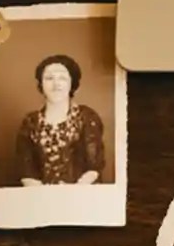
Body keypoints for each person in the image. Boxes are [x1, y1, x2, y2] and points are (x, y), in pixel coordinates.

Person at [14, 54, 106, 186]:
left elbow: (94, 167)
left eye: (62, 78)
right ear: (41, 83)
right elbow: (26, 171)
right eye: (49, 78)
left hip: (83, 195)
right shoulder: (30, 122)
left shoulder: (87, 117)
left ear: (72, 83)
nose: (56, 84)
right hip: (40, 198)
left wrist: (71, 194)